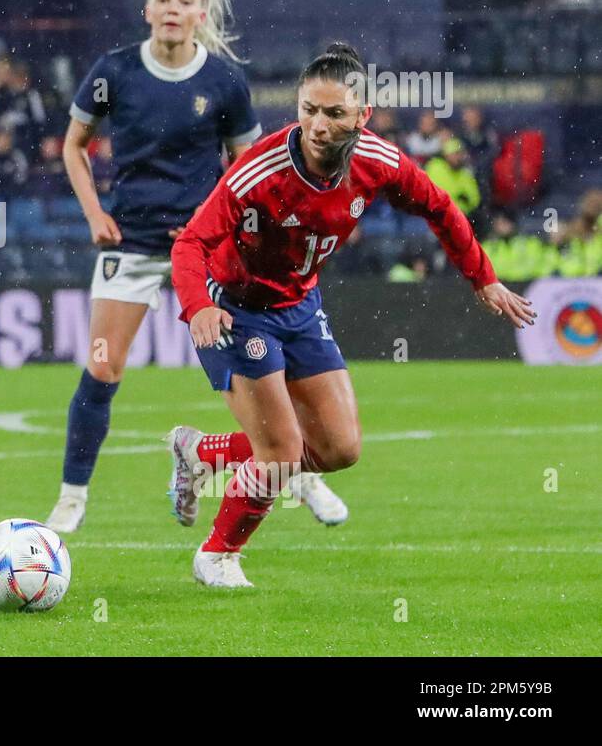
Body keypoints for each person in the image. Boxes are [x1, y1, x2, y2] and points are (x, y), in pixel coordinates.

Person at [168, 43, 534, 588]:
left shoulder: (379, 162)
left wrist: (482, 276)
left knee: (339, 449)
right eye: (309, 109)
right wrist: (197, 307)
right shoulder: (260, 172)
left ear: (362, 116)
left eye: (334, 113)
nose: (317, 125)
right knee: (283, 452)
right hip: (235, 311)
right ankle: (217, 556)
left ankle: (199, 451)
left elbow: (439, 205)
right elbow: (191, 243)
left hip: (299, 305)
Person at [44, 0, 347, 534]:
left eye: (184, 1)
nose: (173, 10)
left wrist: (233, 232)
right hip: (131, 243)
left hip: (209, 251)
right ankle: (71, 496)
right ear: (147, 7)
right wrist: (92, 213)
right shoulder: (114, 71)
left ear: (201, 12)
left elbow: (255, 167)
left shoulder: (224, 81)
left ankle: (301, 474)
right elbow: (73, 145)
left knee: (255, 371)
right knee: (103, 368)